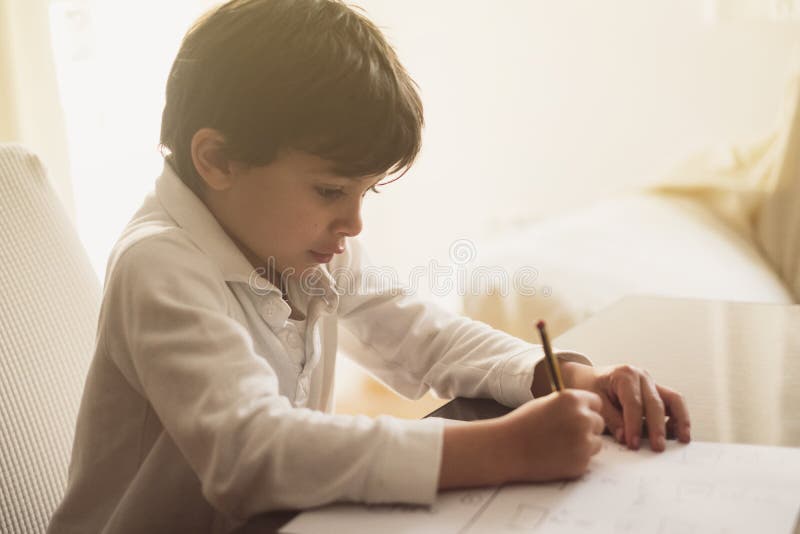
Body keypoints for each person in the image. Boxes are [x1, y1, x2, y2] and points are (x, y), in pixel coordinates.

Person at [48, 1, 691, 532]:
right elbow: (249, 454)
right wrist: (503, 448)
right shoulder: (159, 266)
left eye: (366, 194)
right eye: (331, 191)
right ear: (217, 160)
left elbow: (424, 337)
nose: (354, 224)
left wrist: (562, 375)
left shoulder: (291, 243)